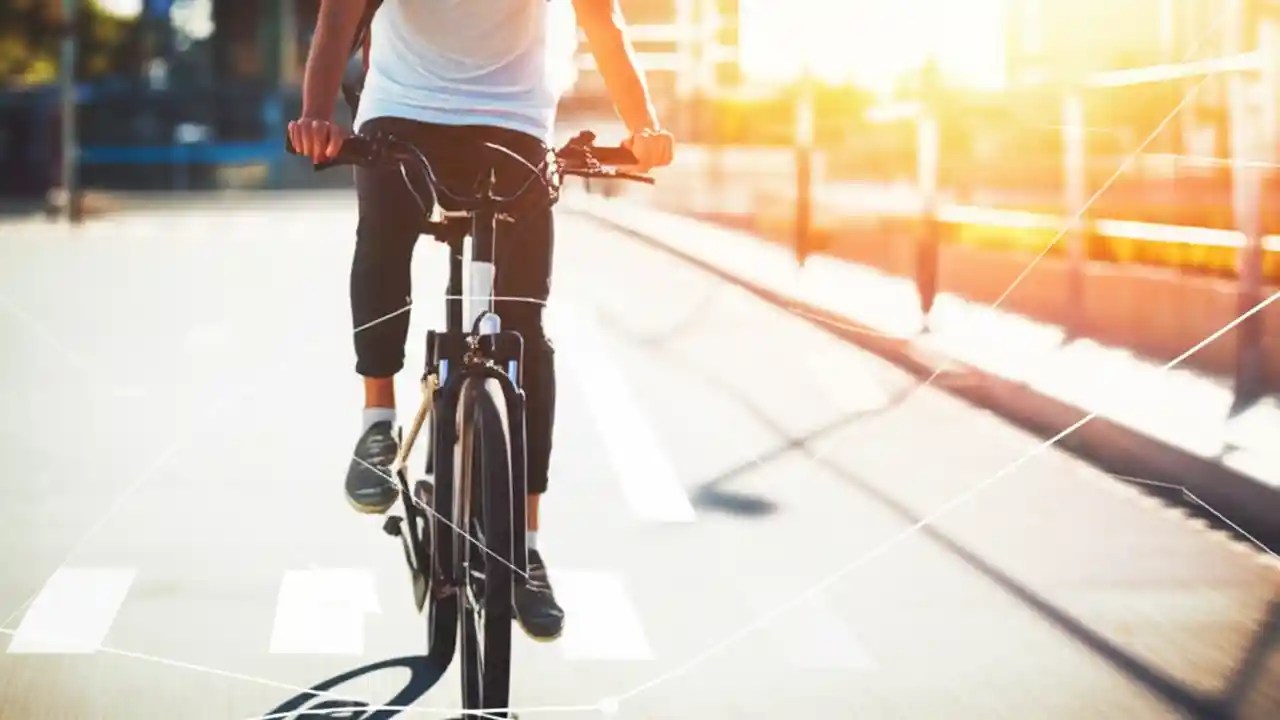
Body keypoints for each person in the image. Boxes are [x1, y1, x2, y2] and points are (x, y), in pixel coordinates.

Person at [287, 0, 674, 642]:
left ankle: (523, 550)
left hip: (511, 118)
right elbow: (337, 18)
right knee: (383, 240)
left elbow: (603, 24)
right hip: (404, 106)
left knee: (525, 329)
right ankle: (377, 424)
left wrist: (644, 128)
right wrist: (316, 116)